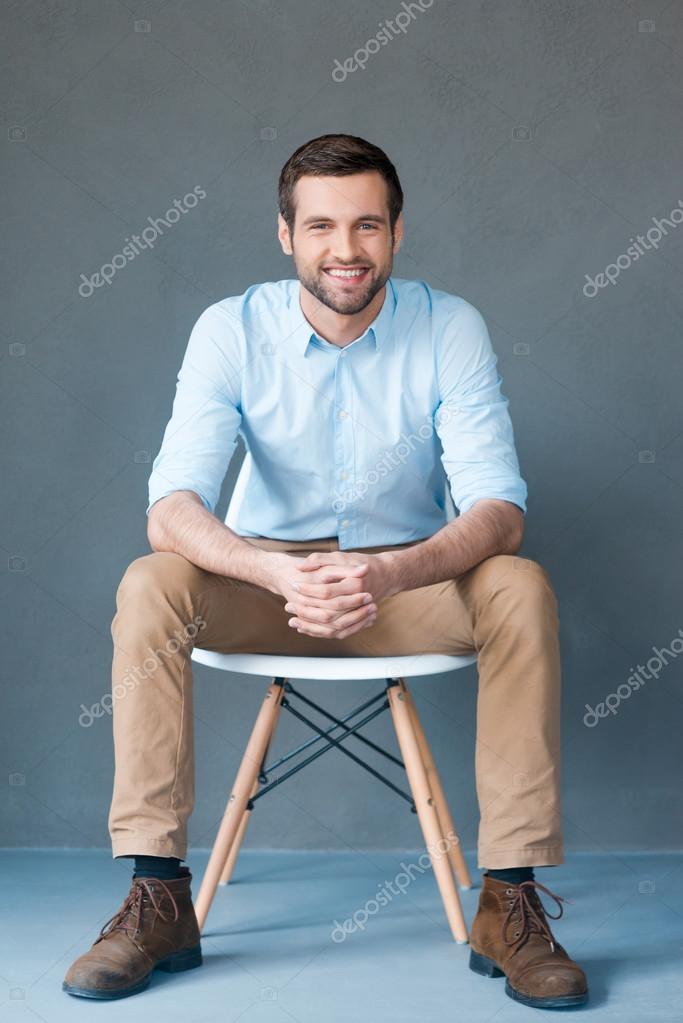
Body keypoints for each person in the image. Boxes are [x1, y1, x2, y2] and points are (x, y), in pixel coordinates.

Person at [63, 133, 588, 1009]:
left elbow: (499, 509)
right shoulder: (230, 328)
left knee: (519, 584)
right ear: (285, 235)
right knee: (149, 580)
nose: (345, 249)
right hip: (267, 586)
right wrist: (273, 572)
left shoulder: (449, 325)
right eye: (320, 226)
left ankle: (509, 903)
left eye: (366, 225)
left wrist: (391, 572)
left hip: (408, 584)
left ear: (397, 232)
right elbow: (171, 506)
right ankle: (157, 896)